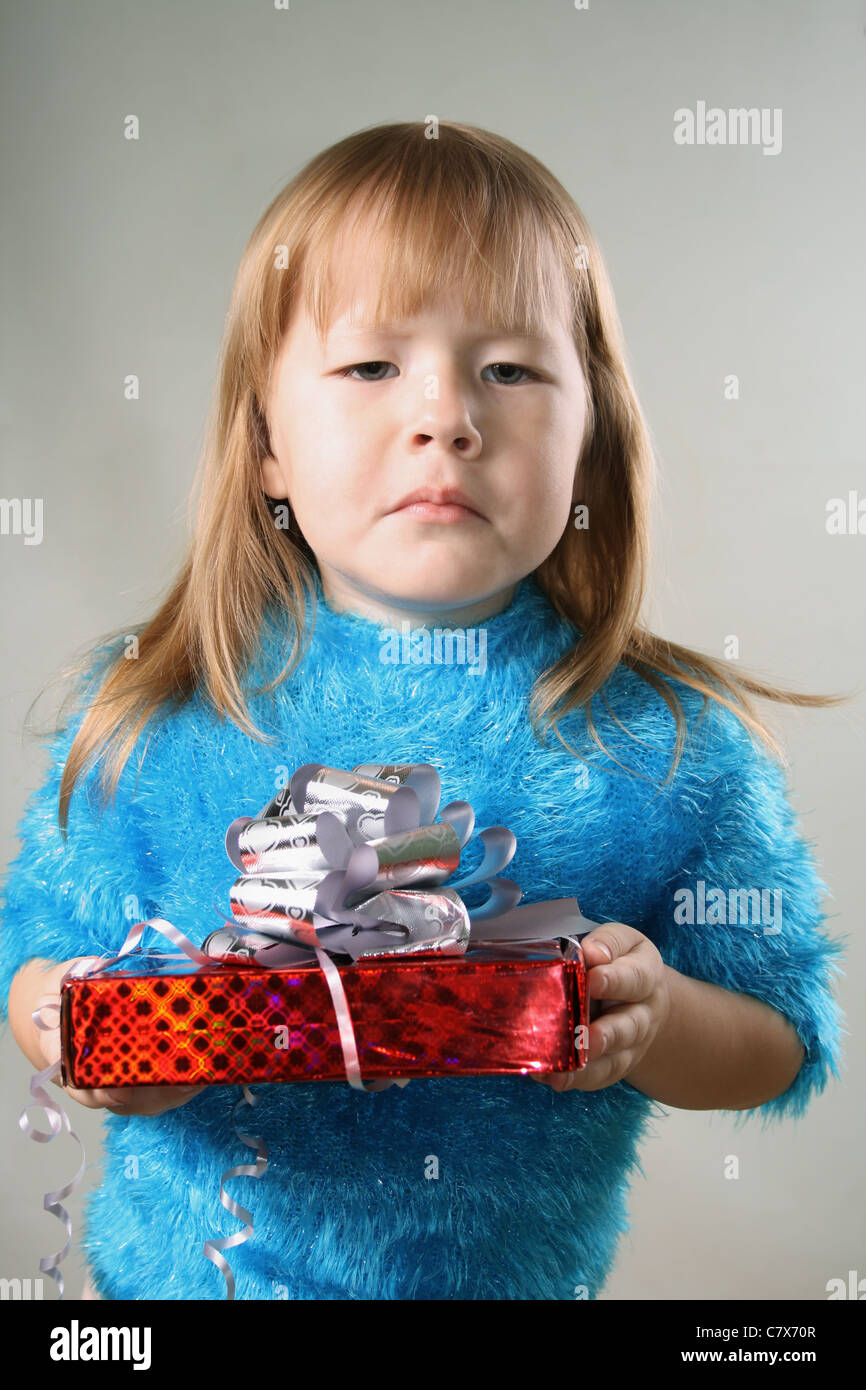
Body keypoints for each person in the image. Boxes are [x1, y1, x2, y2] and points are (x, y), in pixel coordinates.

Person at [0, 120, 847, 1301]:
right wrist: (88, 1036)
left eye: (508, 369)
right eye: (368, 368)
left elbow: (779, 1037)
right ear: (264, 444)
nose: (445, 417)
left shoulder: (664, 741)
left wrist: (653, 1021)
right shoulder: (154, 710)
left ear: (588, 429)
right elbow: (35, 959)